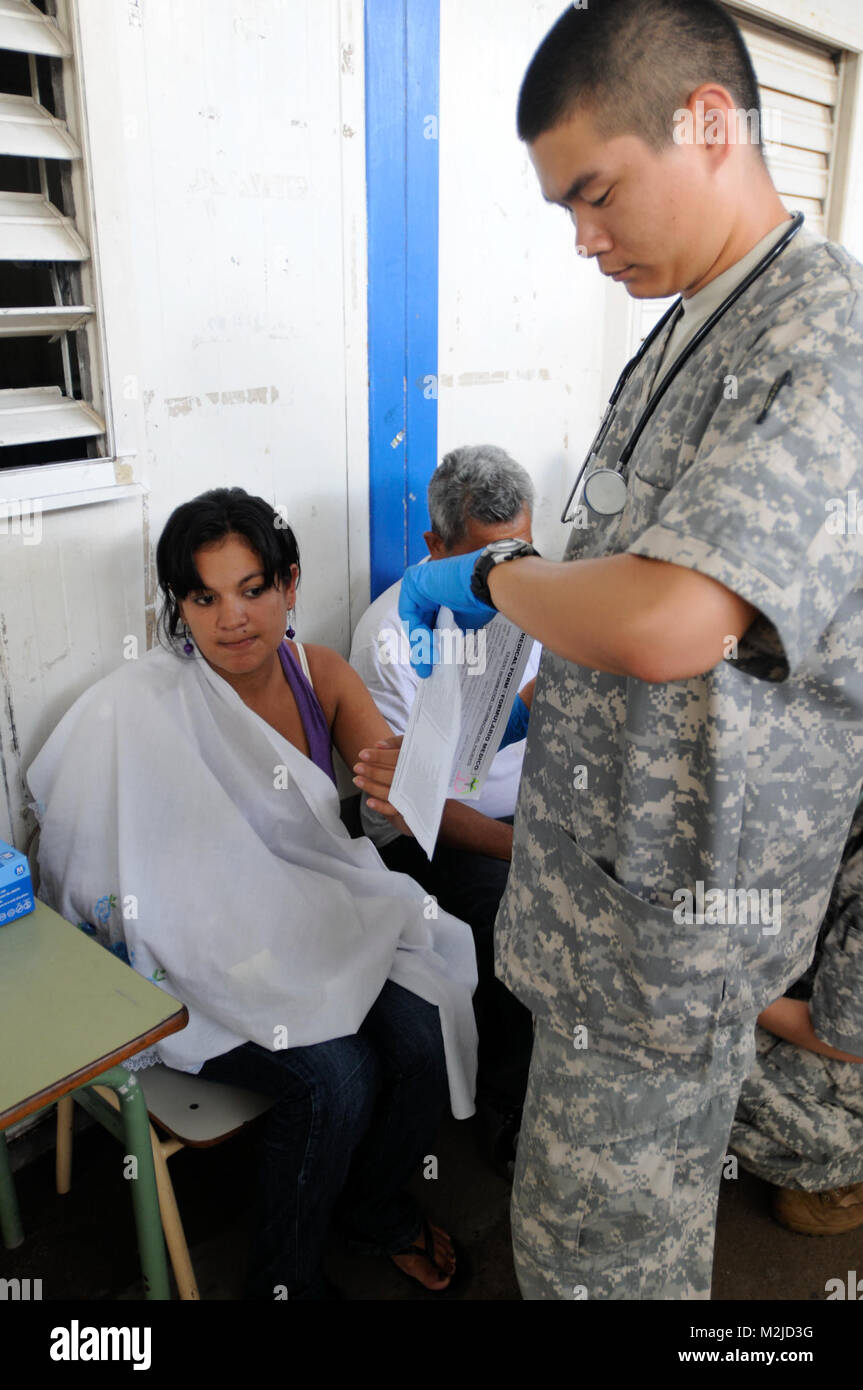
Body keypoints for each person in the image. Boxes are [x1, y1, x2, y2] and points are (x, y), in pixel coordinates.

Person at [392, 0, 863, 1299]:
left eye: (595, 194)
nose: (585, 241)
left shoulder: (817, 338)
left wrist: (497, 572)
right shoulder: (685, 326)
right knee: (578, 1240)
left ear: (707, 122)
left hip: (671, 943)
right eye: (563, 211)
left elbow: (668, 621)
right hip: (599, 909)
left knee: (597, 1267)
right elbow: (625, 584)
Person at [27, 486, 479, 1300]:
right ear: (180, 606)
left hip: (312, 910)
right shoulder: (147, 705)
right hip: (201, 947)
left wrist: (395, 790)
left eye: (252, 589)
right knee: (335, 1079)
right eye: (203, 597)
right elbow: (103, 865)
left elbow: (394, 805)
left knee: (419, 1029)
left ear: (289, 583)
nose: (231, 619)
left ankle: (371, 1211)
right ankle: (284, 1281)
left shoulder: (321, 674)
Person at [350, 444, 540, 1174]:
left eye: (522, 555)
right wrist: (526, 852)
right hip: (426, 835)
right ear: (435, 550)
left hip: (528, 811)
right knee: (512, 919)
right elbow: (415, 803)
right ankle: (509, 1113)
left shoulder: (531, 600)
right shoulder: (392, 639)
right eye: (488, 564)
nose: (510, 579)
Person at [730, 791, 863, 1234]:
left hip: (847, 1037)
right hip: (831, 977)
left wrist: (728, 986)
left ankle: (843, 1170)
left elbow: (843, 1040)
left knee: (686, 1042)